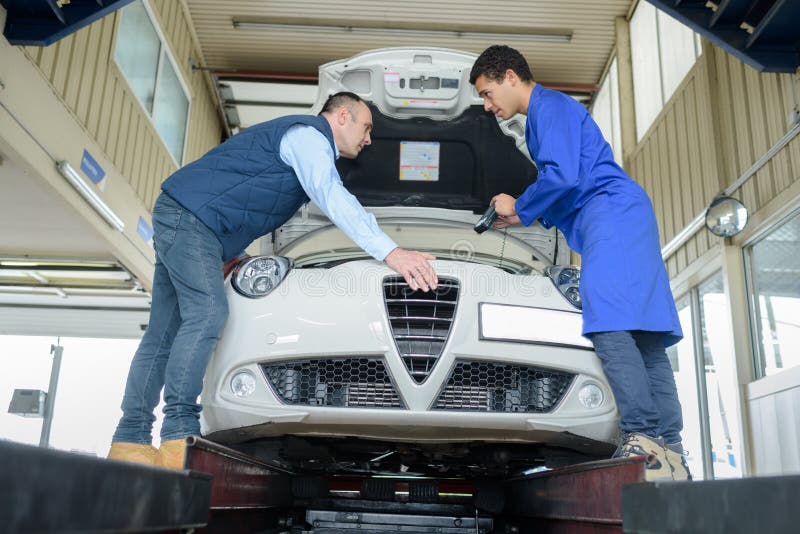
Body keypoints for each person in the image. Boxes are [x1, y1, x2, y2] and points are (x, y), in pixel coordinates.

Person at [108, 92, 438, 469]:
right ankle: (179, 431)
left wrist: (233, 255)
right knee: (208, 314)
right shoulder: (309, 137)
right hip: (191, 221)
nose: (368, 139)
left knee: (164, 333)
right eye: (366, 128)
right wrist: (392, 253)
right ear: (343, 115)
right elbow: (332, 196)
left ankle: (129, 439)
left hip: (188, 218)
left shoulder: (299, 142)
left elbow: (237, 193)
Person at [469, 45, 690, 481]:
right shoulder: (544, 120)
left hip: (609, 213)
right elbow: (567, 186)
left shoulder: (548, 108)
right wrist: (518, 215)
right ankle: (670, 451)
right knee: (643, 336)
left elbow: (564, 178)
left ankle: (643, 438)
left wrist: (521, 202)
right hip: (619, 215)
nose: (487, 105)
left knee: (608, 325)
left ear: (511, 76)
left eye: (488, 92)